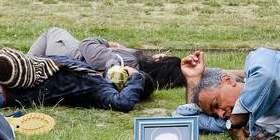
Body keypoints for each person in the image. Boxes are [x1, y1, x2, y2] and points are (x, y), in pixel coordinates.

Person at [0, 47, 155, 112]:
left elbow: (123, 103)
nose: (119, 69)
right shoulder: (92, 71)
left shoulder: (99, 88)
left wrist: (135, 77)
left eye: (124, 74)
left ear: (124, 85)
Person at [25, 27, 185, 89]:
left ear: (160, 62)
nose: (161, 54)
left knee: (52, 31)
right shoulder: (142, 76)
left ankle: (23, 68)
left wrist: (108, 43)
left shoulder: (124, 63)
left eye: (164, 56)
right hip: (75, 57)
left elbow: (87, 45)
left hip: (68, 54)